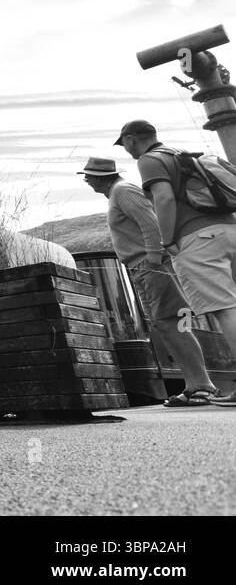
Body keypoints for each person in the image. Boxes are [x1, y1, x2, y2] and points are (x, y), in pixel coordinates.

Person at [78, 155, 226, 406]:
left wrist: (154, 259)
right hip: (144, 267)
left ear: (100, 177)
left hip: (151, 267)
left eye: (89, 177)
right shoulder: (118, 192)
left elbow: (151, 222)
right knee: (166, 324)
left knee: (173, 322)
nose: (88, 182)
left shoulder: (123, 191)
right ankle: (194, 385)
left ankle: (202, 386)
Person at [115, 119, 236, 406]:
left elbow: (164, 200)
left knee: (225, 309)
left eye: (126, 144)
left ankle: (201, 384)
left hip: (198, 239)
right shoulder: (182, 154)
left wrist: (167, 242)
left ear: (131, 139)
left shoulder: (149, 160)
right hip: (229, 230)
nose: (127, 150)